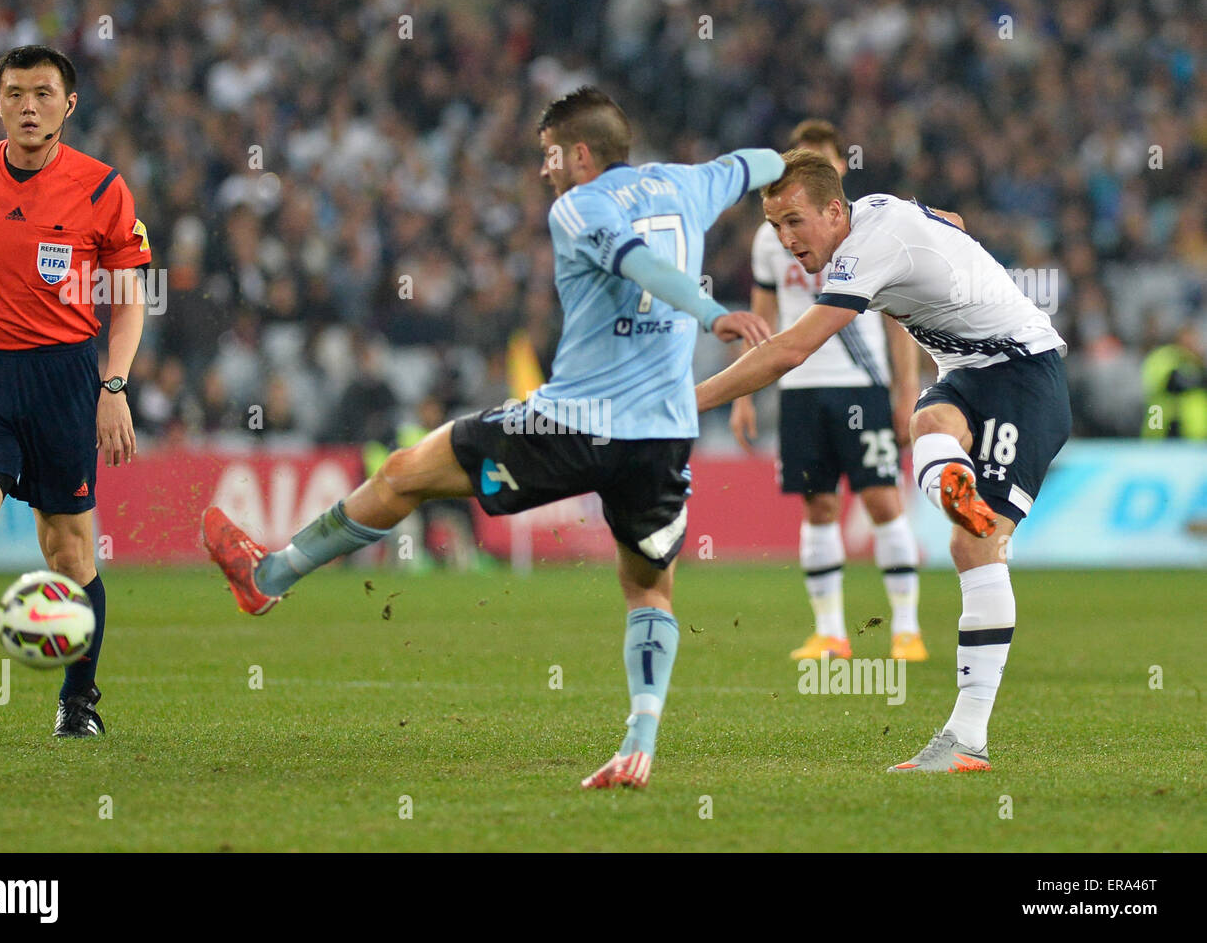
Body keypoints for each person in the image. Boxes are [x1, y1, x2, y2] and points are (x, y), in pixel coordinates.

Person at [204, 86, 782, 789]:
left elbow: (636, 261)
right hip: (662, 436)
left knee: (402, 475)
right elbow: (759, 161)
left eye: (548, 156)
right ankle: (640, 741)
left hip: (568, 423)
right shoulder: (691, 182)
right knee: (650, 594)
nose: (543, 171)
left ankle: (270, 577)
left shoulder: (578, 205)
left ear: (578, 154)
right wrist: (803, 166)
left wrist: (711, 311)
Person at [695, 149, 1070, 772]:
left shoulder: (867, 248)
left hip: (1022, 374)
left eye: (795, 221)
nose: (787, 240)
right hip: (967, 376)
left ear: (833, 211)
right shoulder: (876, 210)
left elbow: (790, 351)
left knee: (973, 548)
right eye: (775, 226)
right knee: (927, 422)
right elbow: (948, 217)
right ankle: (955, 487)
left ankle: (966, 740)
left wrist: (690, 402)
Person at [0, 45, 150, 742]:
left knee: (69, 552)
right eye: (16, 93)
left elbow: (128, 300)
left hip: (64, 378)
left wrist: (114, 384)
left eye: (44, 93)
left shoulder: (103, 188)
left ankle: (79, 700)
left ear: (69, 106)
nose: (30, 106)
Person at [728, 120, 926, 663]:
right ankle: (830, 633)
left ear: (840, 167)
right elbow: (763, 317)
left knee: (883, 499)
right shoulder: (771, 240)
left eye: (823, 158)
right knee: (817, 505)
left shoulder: (866, 231)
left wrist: (906, 387)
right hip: (799, 387)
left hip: (860, 384)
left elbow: (897, 319)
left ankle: (906, 630)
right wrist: (744, 395)